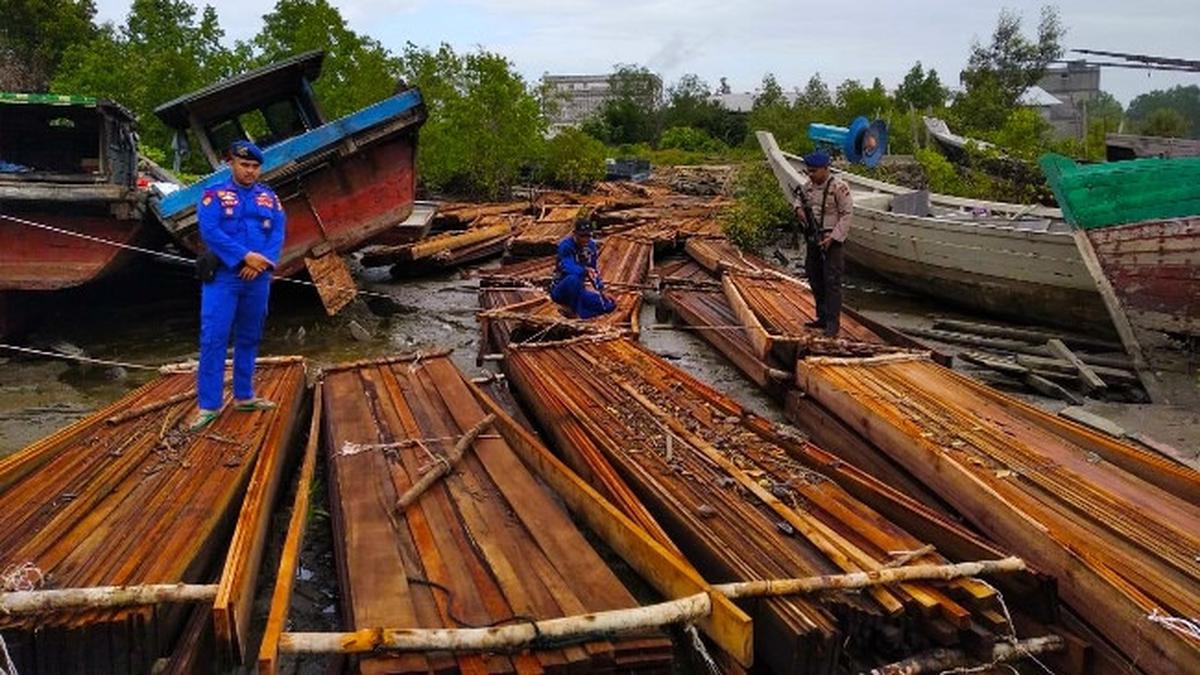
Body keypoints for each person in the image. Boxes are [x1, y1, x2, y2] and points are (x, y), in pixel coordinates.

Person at [189, 140, 286, 431]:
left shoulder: (269, 198)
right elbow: (210, 231)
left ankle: (244, 396)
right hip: (223, 278)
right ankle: (209, 405)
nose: (250, 171)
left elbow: (278, 232)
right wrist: (244, 257)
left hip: (258, 279)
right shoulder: (214, 196)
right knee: (213, 338)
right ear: (231, 163)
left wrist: (263, 262)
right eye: (244, 165)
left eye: (255, 167)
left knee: (249, 336)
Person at [795, 150, 853, 337]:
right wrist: (798, 210)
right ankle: (821, 316)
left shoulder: (839, 187)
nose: (810, 175)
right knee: (815, 278)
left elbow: (847, 214)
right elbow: (798, 200)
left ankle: (832, 323)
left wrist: (834, 237)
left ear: (825, 169)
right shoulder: (808, 187)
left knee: (832, 282)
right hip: (813, 239)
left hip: (832, 241)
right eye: (808, 171)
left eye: (814, 171)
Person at [549, 217, 616, 320]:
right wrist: (584, 270)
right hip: (562, 288)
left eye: (588, 235)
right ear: (574, 233)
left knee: (609, 304)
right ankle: (575, 312)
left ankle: (579, 311)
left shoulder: (591, 247)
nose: (585, 239)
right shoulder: (565, 246)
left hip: (578, 290)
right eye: (582, 236)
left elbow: (593, 270)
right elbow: (568, 266)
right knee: (573, 279)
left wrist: (602, 290)